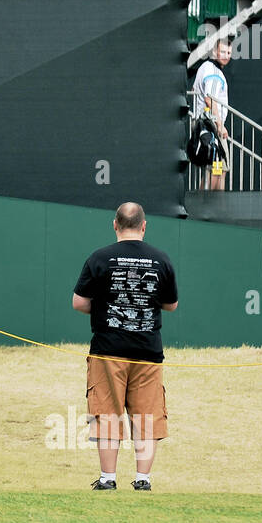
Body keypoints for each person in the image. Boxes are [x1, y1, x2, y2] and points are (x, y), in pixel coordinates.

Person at [72, 202, 179, 492]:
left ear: (115, 225)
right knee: (146, 415)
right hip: (148, 353)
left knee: (106, 413)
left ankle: (108, 478)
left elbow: (79, 302)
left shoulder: (99, 258)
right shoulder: (161, 260)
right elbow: (171, 305)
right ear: (144, 226)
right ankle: (142, 479)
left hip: (107, 350)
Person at [191, 38, 231, 191]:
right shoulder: (213, 72)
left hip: (205, 125)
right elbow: (210, 99)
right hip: (211, 126)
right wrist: (220, 125)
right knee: (218, 170)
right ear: (215, 52)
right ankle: (213, 208)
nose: (226, 55)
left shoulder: (205, 67)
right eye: (222, 52)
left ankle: (206, 206)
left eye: (229, 52)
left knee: (214, 170)